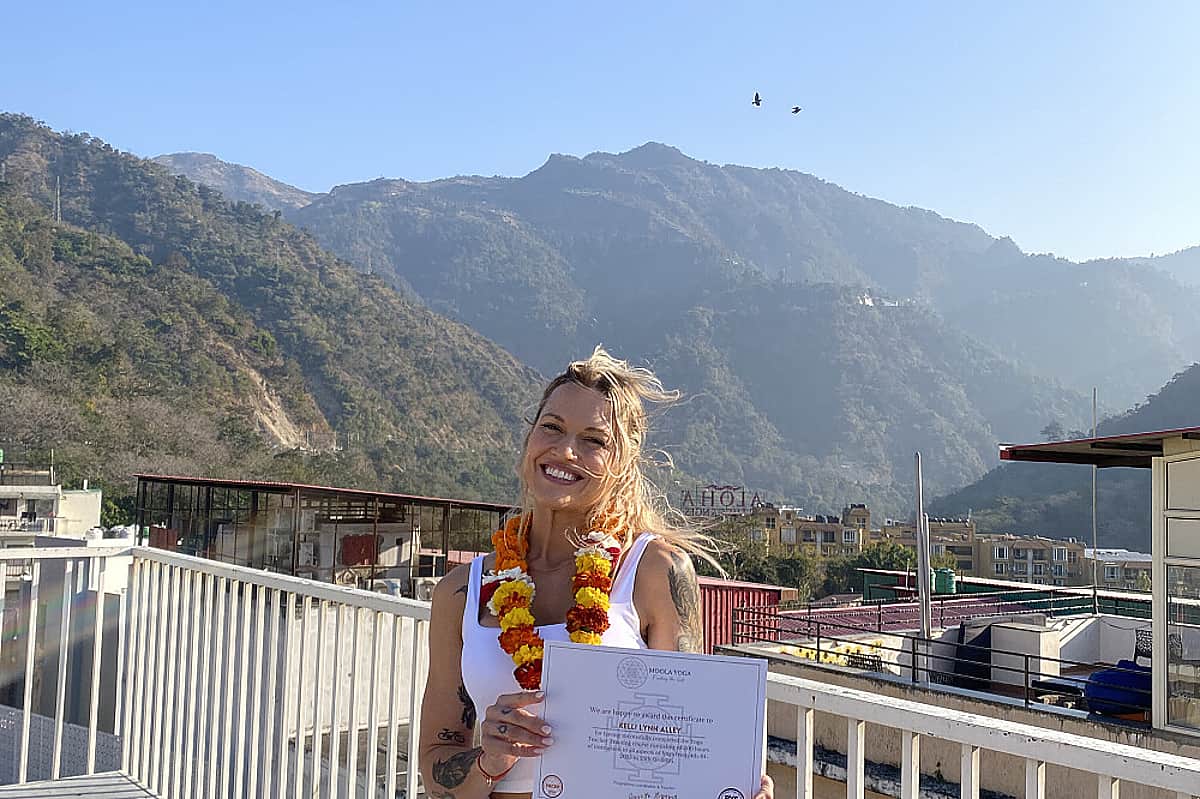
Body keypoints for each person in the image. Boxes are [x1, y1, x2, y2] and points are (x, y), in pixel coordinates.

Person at [418, 346, 774, 799]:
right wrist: (488, 759)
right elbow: (436, 774)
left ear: (624, 463)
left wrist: (729, 783)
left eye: (594, 440)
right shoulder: (460, 592)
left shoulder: (655, 573)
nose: (565, 451)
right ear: (529, 439)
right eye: (551, 427)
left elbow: (687, 748)